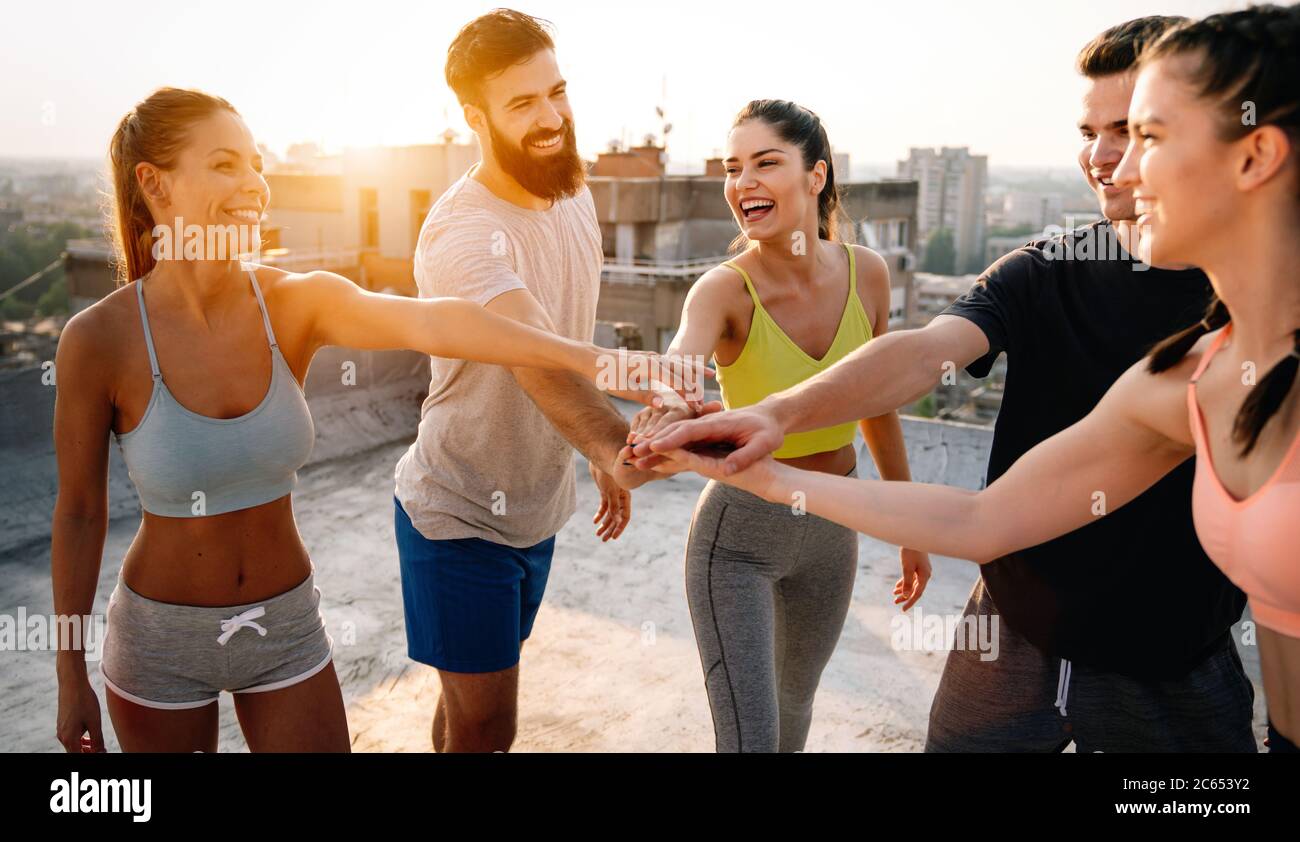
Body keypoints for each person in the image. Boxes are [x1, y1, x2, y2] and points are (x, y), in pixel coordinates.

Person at [651, 5, 1299, 753]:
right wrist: (772, 434)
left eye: (1142, 135)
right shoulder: (1182, 371)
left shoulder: (1215, 356)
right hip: (1012, 627)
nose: (1109, 164)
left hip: (1171, 663)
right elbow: (970, 486)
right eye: (1092, 135)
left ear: (1256, 155)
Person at [52, 86, 699, 753]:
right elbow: (78, 513)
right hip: (160, 641)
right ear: (154, 183)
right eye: (225, 165)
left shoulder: (294, 303)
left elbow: (443, 320)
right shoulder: (98, 340)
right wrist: (70, 670)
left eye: (257, 164)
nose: (254, 185)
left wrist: (601, 362)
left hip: (286, 626)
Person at [391, 9, 677, 753]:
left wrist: (589, 448)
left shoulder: (572, 193)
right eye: (522, 103)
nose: (551, 118)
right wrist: (615, 441)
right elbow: (539, 359)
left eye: (557, 91)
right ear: (474, 116)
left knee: (466, 707)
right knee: (490, 729)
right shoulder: (462, 236)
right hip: (458, 513)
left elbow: (569, 329)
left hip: (535, 512)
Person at [624, 100, 928, 752]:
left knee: (794, 720)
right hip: (739, 539)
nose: (742, 183)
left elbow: (879, 403)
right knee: (750, 742)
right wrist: (669, 403)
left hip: (833, 533)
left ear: (816, 176)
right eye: (733, 168)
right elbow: (681, 362)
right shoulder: (723, 290)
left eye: (766, 163)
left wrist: (907, 525)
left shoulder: (868, 275)